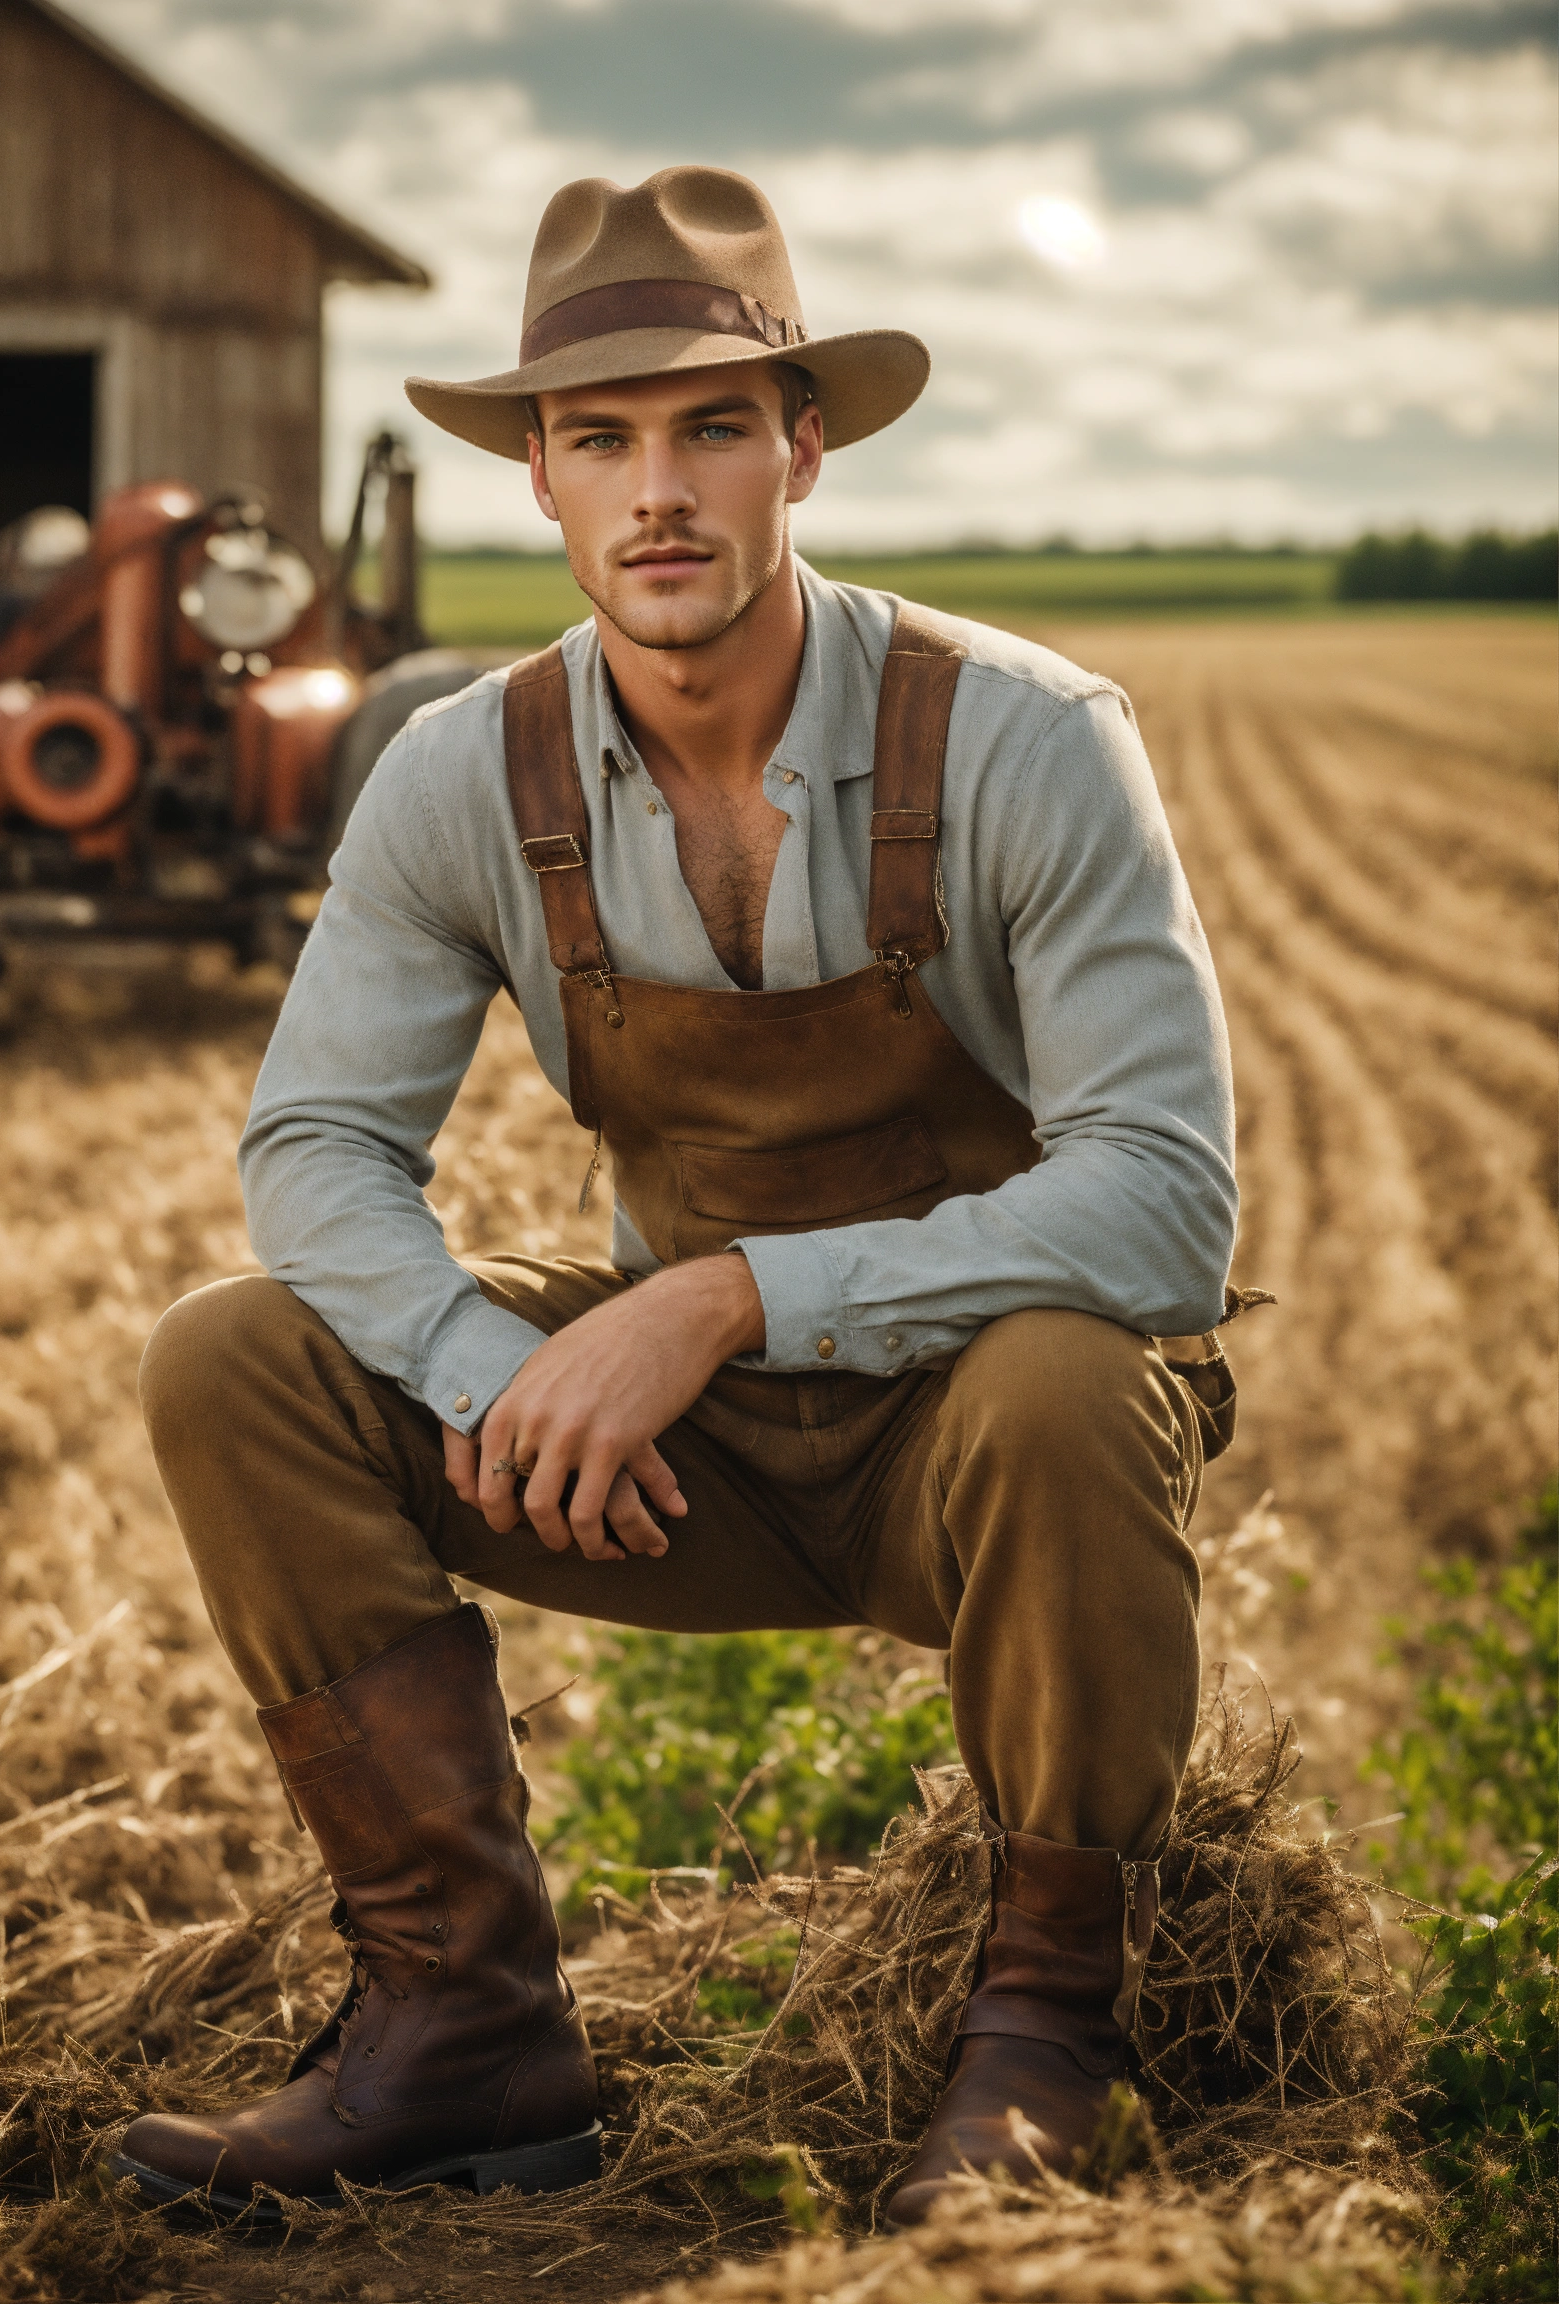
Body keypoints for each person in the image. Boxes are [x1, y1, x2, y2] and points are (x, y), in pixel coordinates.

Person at [111, 165, 1245, 2224]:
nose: (660, 491)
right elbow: (310, 1153)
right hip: (668, 1471)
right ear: (536, 476)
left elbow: (1165, 1211)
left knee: (1075, 1377)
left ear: (802, 447)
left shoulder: (1024, 743)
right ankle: (465, 2027)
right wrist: (482, 1367)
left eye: (713, 425)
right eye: (601, 436)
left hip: (976, 1453)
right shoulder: (465, 772)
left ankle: (1042, 2040)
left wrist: (713, 1301)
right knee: (231, 1359)